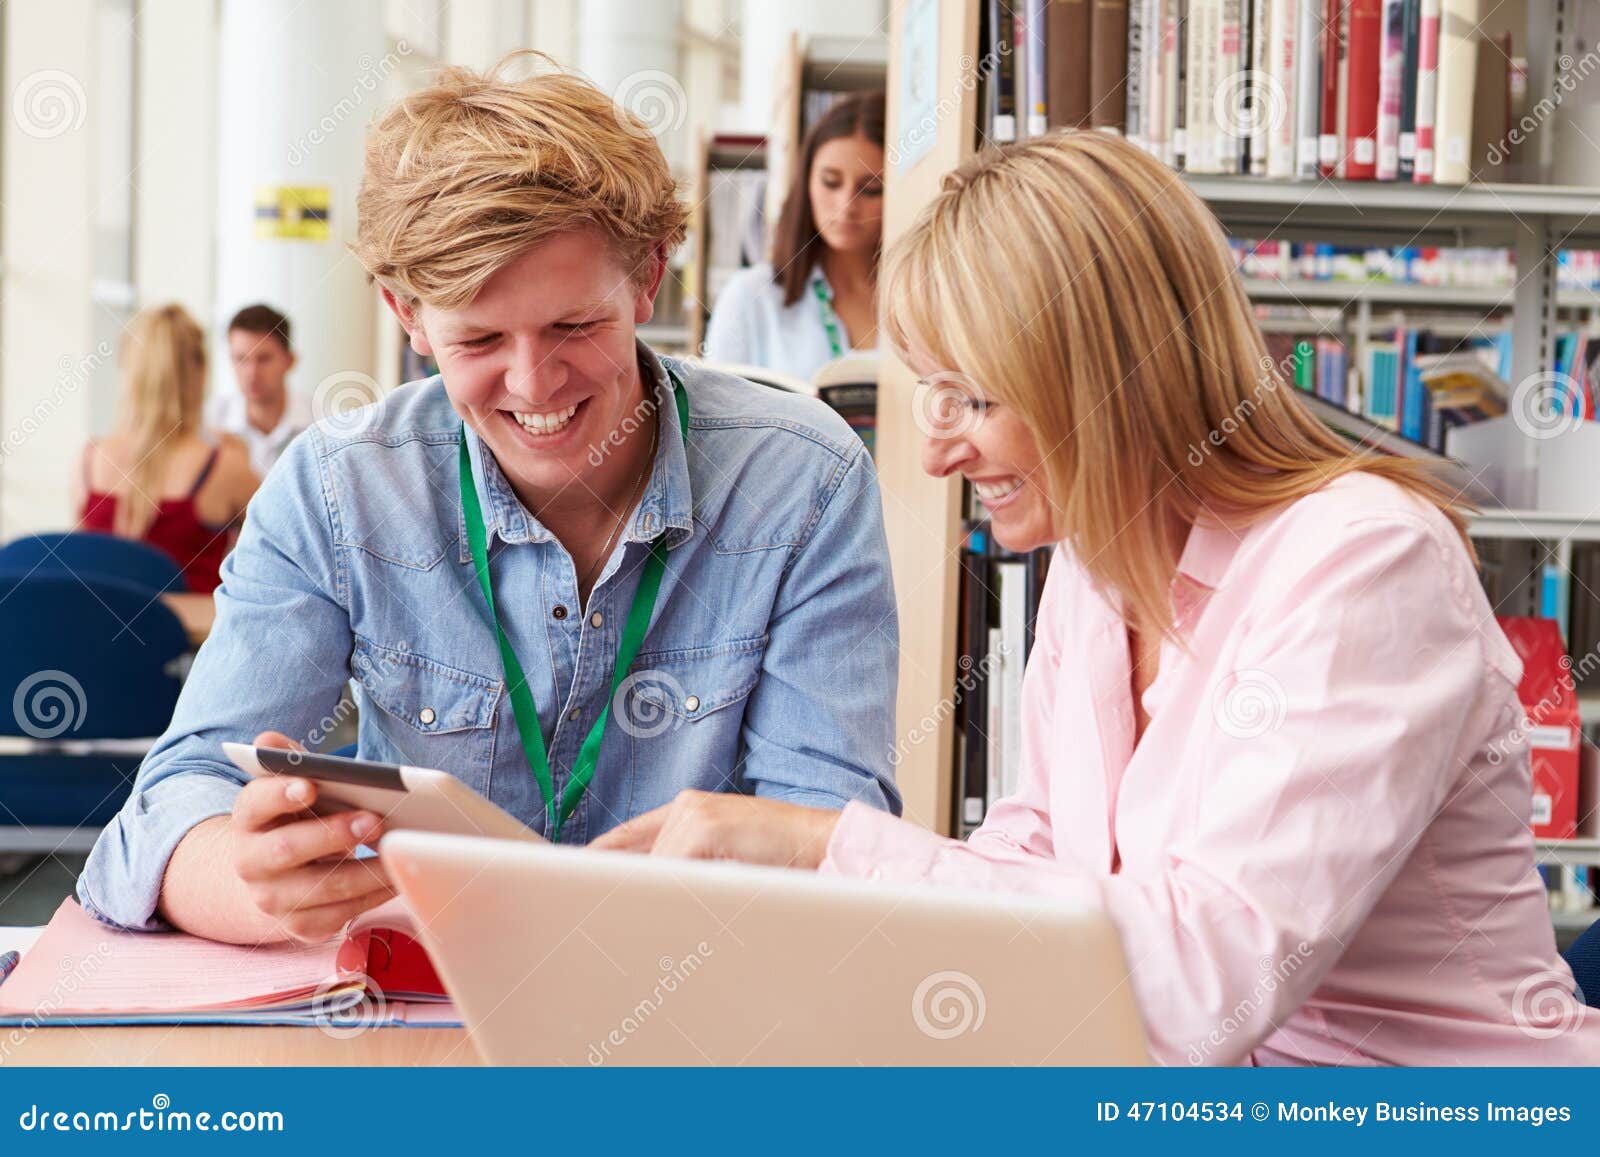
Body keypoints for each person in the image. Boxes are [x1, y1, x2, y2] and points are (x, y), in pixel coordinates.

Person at [595, 132, 1600, 1065]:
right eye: (932, 396)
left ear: (1111, 383)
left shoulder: (1363, 561)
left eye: (975, 399)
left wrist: (822, 845)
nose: (940, 450)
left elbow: (1209, 982)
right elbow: (1037, 848)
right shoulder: (1093, 562)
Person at [77, 56, 900, 945]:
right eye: (476, 337)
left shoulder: (805, 480)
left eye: (574, 325)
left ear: (648, 278)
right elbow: (170, 804)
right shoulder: (337, 490)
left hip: (703, 1002)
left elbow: (835, 838)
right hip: (418, 1018)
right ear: (408, 314)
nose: (533, 382)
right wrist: (251, 881)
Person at [75, 304, 259, 594]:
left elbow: (83, 570)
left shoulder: (89, 460)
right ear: (198, 373)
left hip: (96, 638)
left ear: (128, 372)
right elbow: (282, 566)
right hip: (190, 638)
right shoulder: (226, 466)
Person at [703, 92, 883, 380]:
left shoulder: (922, 300)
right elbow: (711, 415)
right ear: (807, 183)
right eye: (830, 182)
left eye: (871, 189)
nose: (847, 206)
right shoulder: (749, 298)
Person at [205, 303, 313, 477]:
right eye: (241, 359)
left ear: (290, 361)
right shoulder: (209, 423)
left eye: (263, 359)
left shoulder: (323, 424)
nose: (251, 373)